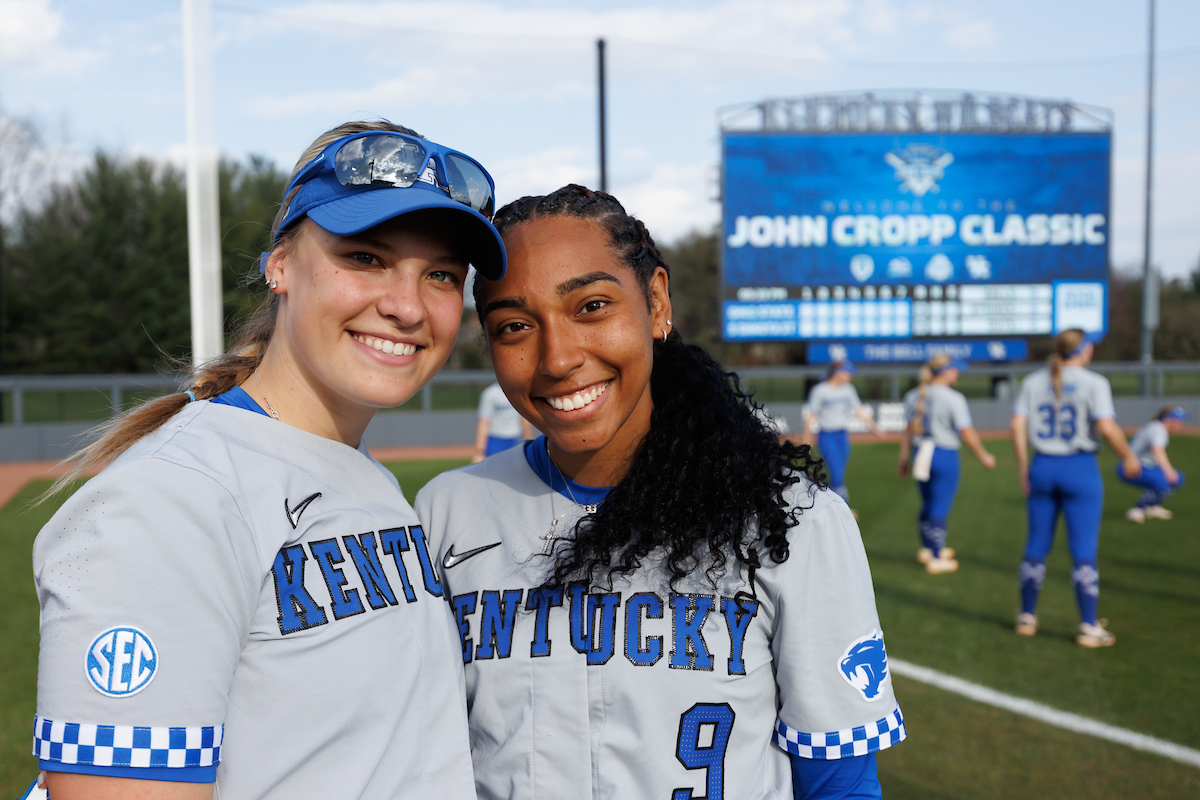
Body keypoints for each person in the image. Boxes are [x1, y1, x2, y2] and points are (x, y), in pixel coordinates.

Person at [29, 121, 504, 799]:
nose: (406, 306)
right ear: (279, 264)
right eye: (366, 258)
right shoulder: (170, 499)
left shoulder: (360, 473)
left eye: (440, 276)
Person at [417, 185, 905, 800]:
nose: (558, 357)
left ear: (655, 302)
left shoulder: (792, 518)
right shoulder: (447, 513)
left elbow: (840, 782)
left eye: (591, 306)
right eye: (514, 325)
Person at [1010, 329, 1140, 648]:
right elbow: (1107, 428)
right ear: (1083, 349)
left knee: (1036, 546)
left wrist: (1025, 467)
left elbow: (1017, 424)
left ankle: (1027, 616)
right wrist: (1129, 456)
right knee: (1083, 551)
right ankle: (1087, 626)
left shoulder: (1032, 381)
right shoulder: (1095, 383)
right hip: (1079, 468)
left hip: (1043, 465)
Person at [898, 355, 996, 575]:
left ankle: (927, 547)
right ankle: (935, 556)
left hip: (920, 453)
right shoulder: (953, 398)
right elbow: (966, 432)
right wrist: (984, 456)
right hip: (943, 454)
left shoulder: (913, 395)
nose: (957, 373)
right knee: (939, 507)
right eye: (955, 369)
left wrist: (903, 458)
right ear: (946, 371)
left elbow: (907, 431)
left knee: (928, 503)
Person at [801, 361, 883, 506]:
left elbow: (858, 409)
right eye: (847, 372)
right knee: (837, 474)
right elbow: (810, 416)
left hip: (842, 436)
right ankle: (844, 507)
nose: (850, 376)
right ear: (838, 373)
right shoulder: (820, 390)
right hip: (827, 436)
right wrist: (807, 440)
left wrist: (874, 428)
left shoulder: (848, 389)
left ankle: (831, 506)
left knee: (838, 475)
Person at [1118, 405, 1189, 522]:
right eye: (1178, 420)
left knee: (1178, 478)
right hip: (1130, 467)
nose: (1180, 423)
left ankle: (1152, 507)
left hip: (1143, 466)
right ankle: (1138, 510)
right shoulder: (1158, 429)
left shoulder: (1157, 427)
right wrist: (1169, 471)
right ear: (1168, 419)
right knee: (1162, 481)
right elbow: (1157, 449)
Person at [472, 381, 534, 462]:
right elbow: (483, 421)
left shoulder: (518, 392)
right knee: (494, 471)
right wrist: (479, 451)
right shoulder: (490, 394)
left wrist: (529, 442)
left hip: (514, 439)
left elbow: (524, 419)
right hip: (495, 440)